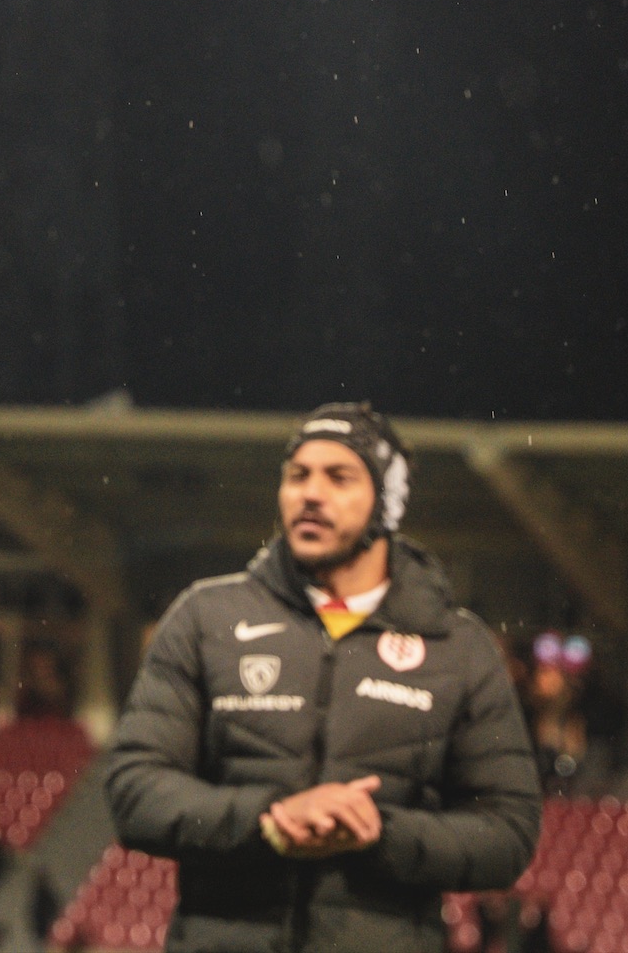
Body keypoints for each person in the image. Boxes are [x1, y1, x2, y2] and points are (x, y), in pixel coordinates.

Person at [106, 404, 542, 953]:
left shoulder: (458, 647)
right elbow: (134, 790)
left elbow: (508, 832)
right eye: (298, 475)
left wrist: (378, 831)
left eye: (339, 477)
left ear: (387, 502)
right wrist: (270, 818)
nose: (311, 494)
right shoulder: (204, 617)